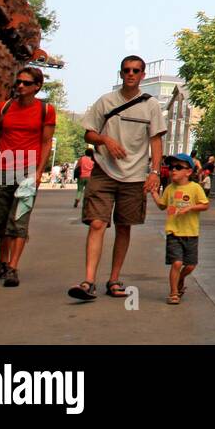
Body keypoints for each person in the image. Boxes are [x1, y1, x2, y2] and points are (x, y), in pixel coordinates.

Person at [67, 55, 166, 302]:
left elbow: (156, 140)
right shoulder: (106, 101)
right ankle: (88, 280)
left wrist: (154, 172)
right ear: (120, 74)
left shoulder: (151, 105)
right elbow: (89, 134)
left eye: (136, 70)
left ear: (142, 75)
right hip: (104, 170)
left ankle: (114, 278)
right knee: (97, 223)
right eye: (126, 70)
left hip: (133, 176)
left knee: (124, 226)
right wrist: (106, 140)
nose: (131, 74)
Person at [0, 66, 56, 288]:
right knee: (0, 221)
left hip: (27, 172)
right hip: (1, 170)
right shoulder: (4, 107)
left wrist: (39, 171)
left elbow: (46, 141)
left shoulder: (45, 110)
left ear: (36, 87)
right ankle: (2, 262)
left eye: (26, 83)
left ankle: (13, 266)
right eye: (18, 82)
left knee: (18, 221)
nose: (20, 86)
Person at [153, 153, 208, 305]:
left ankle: (181, 278)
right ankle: (173, 292)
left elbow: (205, 204)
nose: (173, 171)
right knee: (176, 263)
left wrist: (191, 208)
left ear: (188, 172)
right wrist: (154, 194)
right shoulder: (169, 189)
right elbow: (162, 205)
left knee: (190, 265)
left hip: (191, 232)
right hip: (174, 232)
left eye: (178, 167)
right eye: (171, 167)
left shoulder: (195, 188)